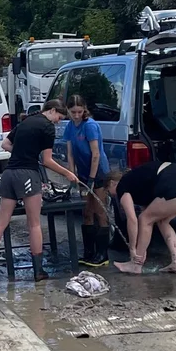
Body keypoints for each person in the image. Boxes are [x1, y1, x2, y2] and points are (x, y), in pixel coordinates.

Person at [0, 98, 83, 283]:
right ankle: (38, 271)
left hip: (8, 175)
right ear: (52, 110)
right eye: (59, 118)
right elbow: (47, 160)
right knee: (34, 224)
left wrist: (22, 152)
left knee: (1, 222)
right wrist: (68, 173)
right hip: (27, 175)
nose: (58, 122)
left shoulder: (25, 121)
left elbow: (5, 145)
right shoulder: (47, 127)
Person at [109, 160, 176, 275]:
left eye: (108, 191)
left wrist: (133, 248)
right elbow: (148, 215)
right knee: (162, 221)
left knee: (144, 219)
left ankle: (135, 265)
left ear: (112, 183)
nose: (112, 195)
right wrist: (142, 247)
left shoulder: (122, 186)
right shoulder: (140, 182)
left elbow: (132, 220)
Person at [65, 95, 110, 268]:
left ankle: (102, 254)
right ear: (68, 110)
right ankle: (88, 252)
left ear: (84, 109)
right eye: (73, 112)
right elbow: (70, 153)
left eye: (79, 112)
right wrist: (72, 174)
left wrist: (92, 179)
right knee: (86, 211)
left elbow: (96, 154)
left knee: (100, 211)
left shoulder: (90, 125)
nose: (76, 115)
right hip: (83, 173)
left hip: (97, 171)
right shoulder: (70, 126)